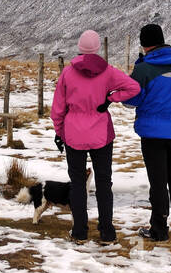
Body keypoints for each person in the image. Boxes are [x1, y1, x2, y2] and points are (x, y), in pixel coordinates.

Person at [51, 29, 141, 243]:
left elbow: (58, 108)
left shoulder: (68, 73)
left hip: (73, 133)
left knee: (78, 184)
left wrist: (59, 131)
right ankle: (107, 232)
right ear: (97, 48)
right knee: (103, 182)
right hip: (101, 133)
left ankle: (80, 232)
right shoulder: (108, 71)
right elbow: (134, 87)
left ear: (80, 48)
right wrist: (111, 98)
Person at [122, 23, 171, 241]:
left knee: (158, 182)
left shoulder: (143, 69)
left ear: (144, 45)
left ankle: (159, 229)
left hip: (152, 133)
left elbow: (129, 102)